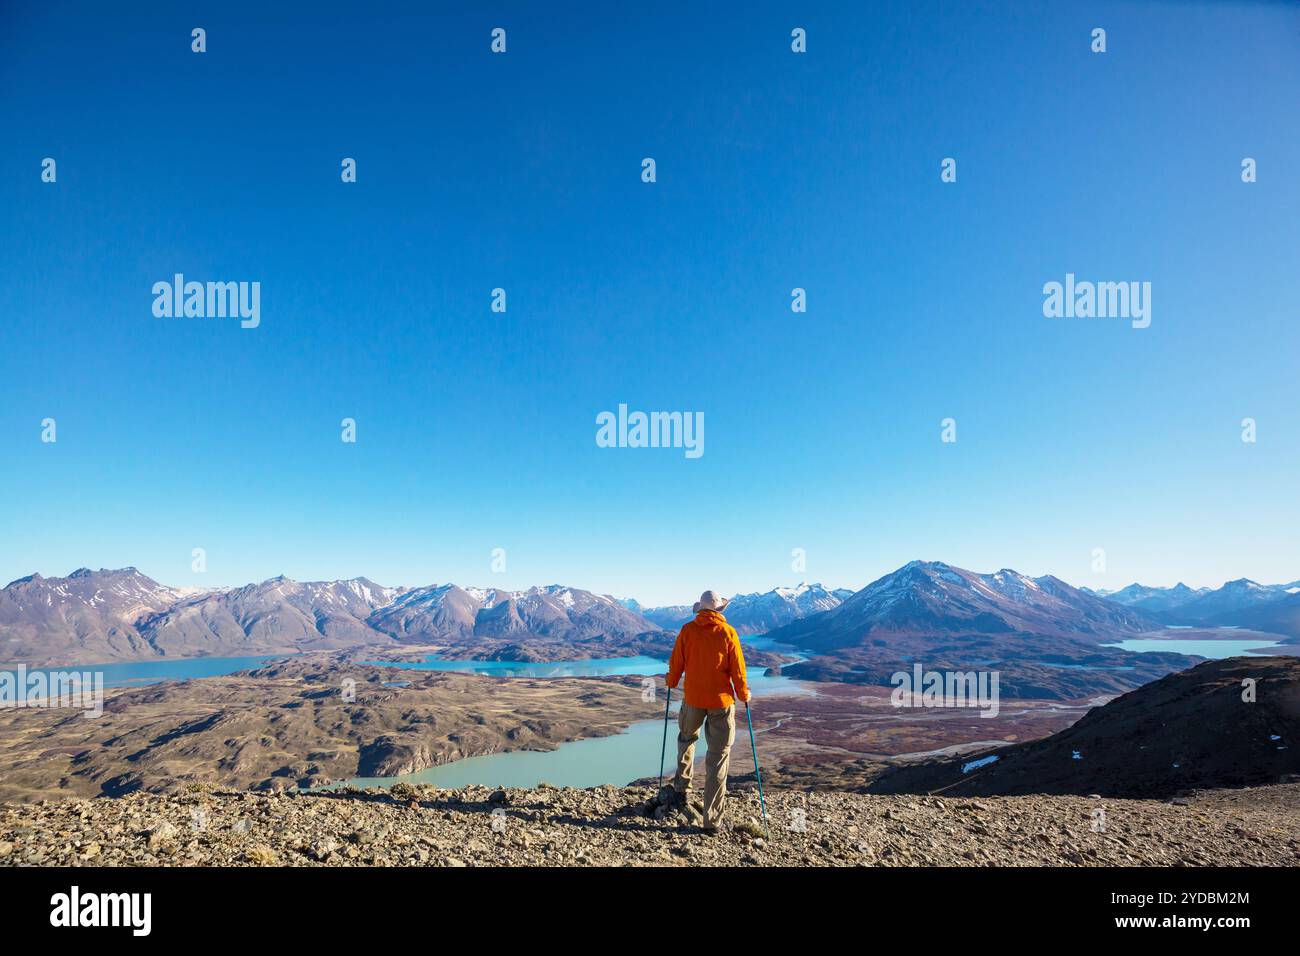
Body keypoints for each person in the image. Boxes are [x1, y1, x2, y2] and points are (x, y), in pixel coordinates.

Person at [664, 589, 750, 832]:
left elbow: (676, 663)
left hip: (692, 699)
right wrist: (743, 695)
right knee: (718, 757)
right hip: (721, 703)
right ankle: (712, 821)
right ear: (720, 609)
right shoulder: (728, 633)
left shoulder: (687, 631)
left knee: (686, 738)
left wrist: (671, 681)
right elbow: (738, 671)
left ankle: (682, 788)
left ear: (700, 609)